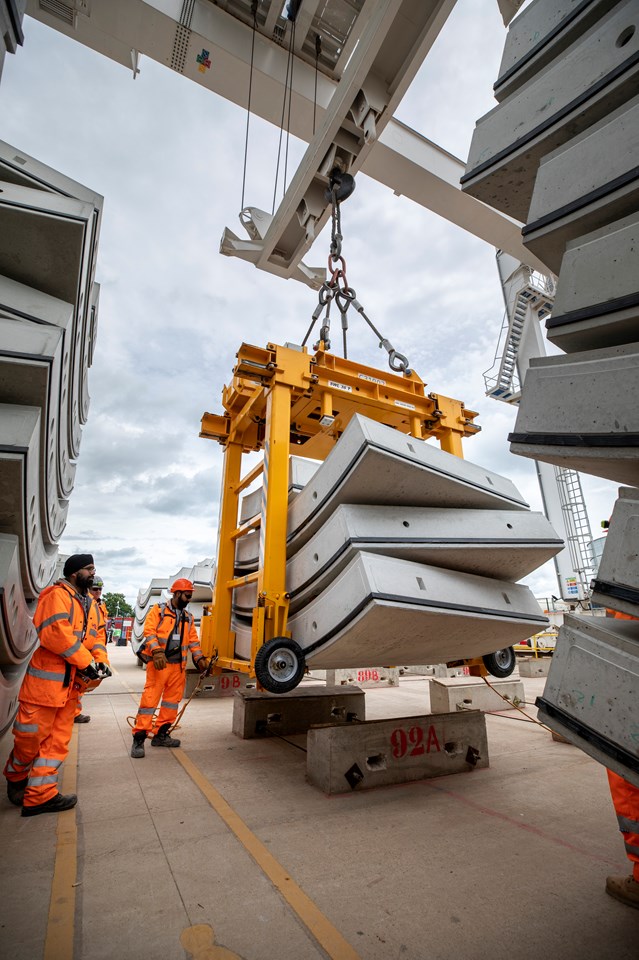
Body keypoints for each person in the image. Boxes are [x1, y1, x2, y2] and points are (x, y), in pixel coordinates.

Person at [3, 554, 112, 816]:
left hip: (71, 688)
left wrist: (100, 661)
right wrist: (85, 661)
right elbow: (55, 633)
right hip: (45, 686)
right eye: (89, 570)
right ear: (75, 573)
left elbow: (97, 637)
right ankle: (17, 777)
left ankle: (41, 795)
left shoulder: (92, 605)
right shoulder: (56, 596)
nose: (93, 575)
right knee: (30, 738)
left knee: (56, 744)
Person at [130, 578, 210, 758]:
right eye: (187, 595)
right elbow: (149, 632)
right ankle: (139, 738)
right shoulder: (158, 611)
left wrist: (200, 660)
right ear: (177, 594)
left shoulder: (187, 618)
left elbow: (193, 642)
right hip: (159, 666)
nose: (189, 599)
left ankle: (161, 735)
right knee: (149, 703)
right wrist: (157, 651)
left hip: (178, 668)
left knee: (171, 703)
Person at [74, 575, 109, 724]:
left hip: (91, 651)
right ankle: (73, 712)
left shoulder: (99, 605)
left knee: (81, 685)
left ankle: (74, 711)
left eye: (100, 589)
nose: (98, 592)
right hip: (80, 652)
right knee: (76, 685)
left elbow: (99, 633)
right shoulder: (85, 603)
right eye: (95, 589)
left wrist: (101, 658)